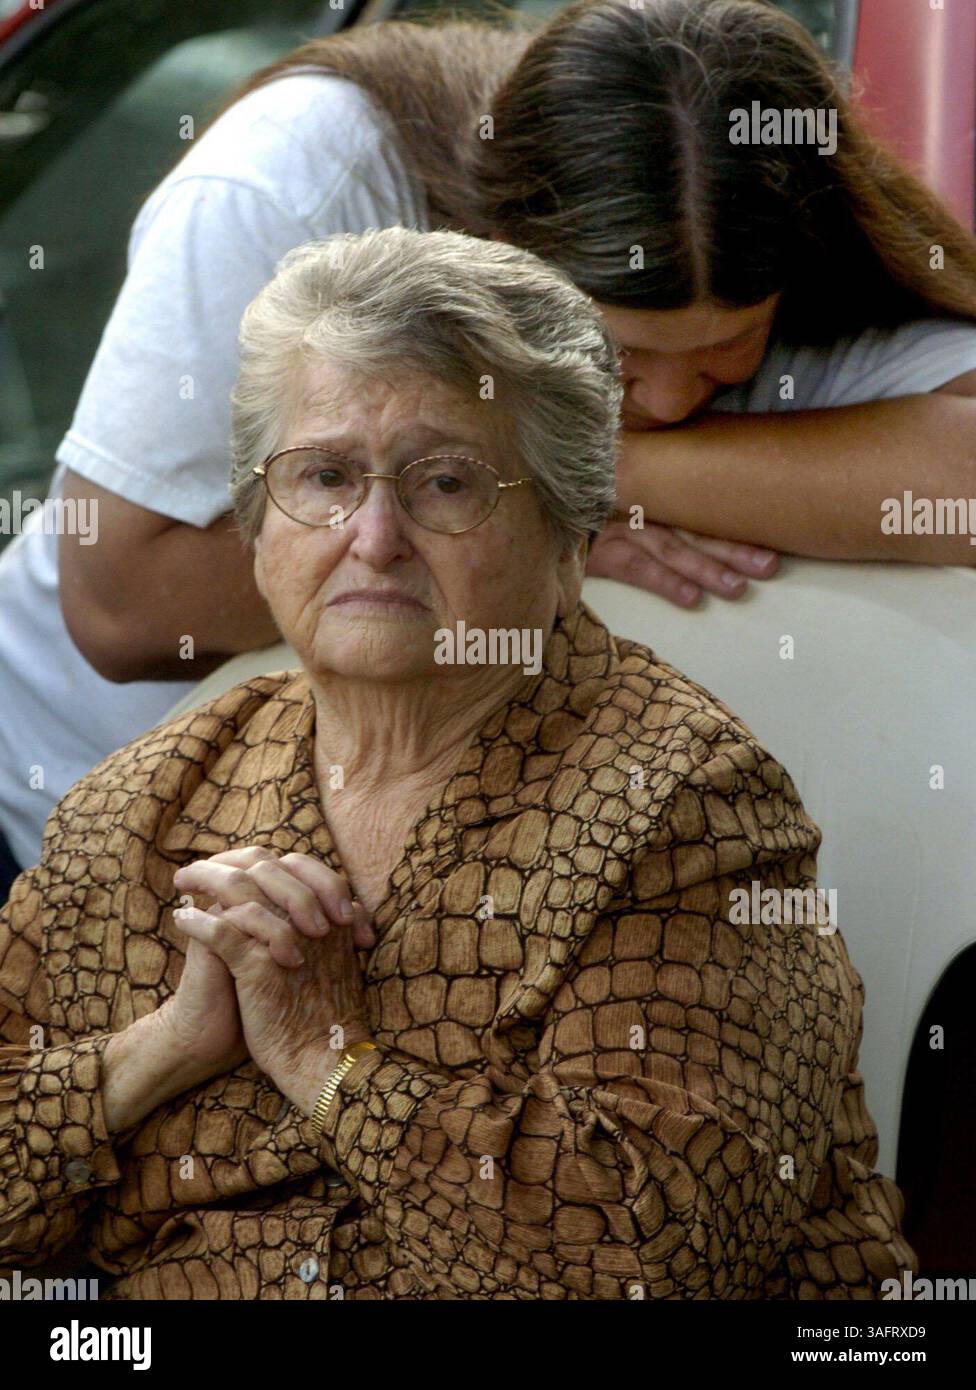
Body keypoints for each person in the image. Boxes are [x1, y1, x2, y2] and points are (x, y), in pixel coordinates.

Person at [0, 228, 916, 1298]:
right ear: (258, 530)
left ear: (572, 537)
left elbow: (643, 1265)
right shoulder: (144, 805)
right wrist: (157, 1052)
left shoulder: (686, 807)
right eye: (326, 476)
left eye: (444, 483)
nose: (374, 536)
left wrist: (327, 1060)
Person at [1, 0, 974, 884]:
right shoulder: (292, 181)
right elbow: (120, 602)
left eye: (728, 355)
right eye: (616, 356)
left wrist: (586, 479)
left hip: (358, 881)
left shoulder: (758, 256)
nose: (675, 399)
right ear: (500, 245)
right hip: (57, 816)